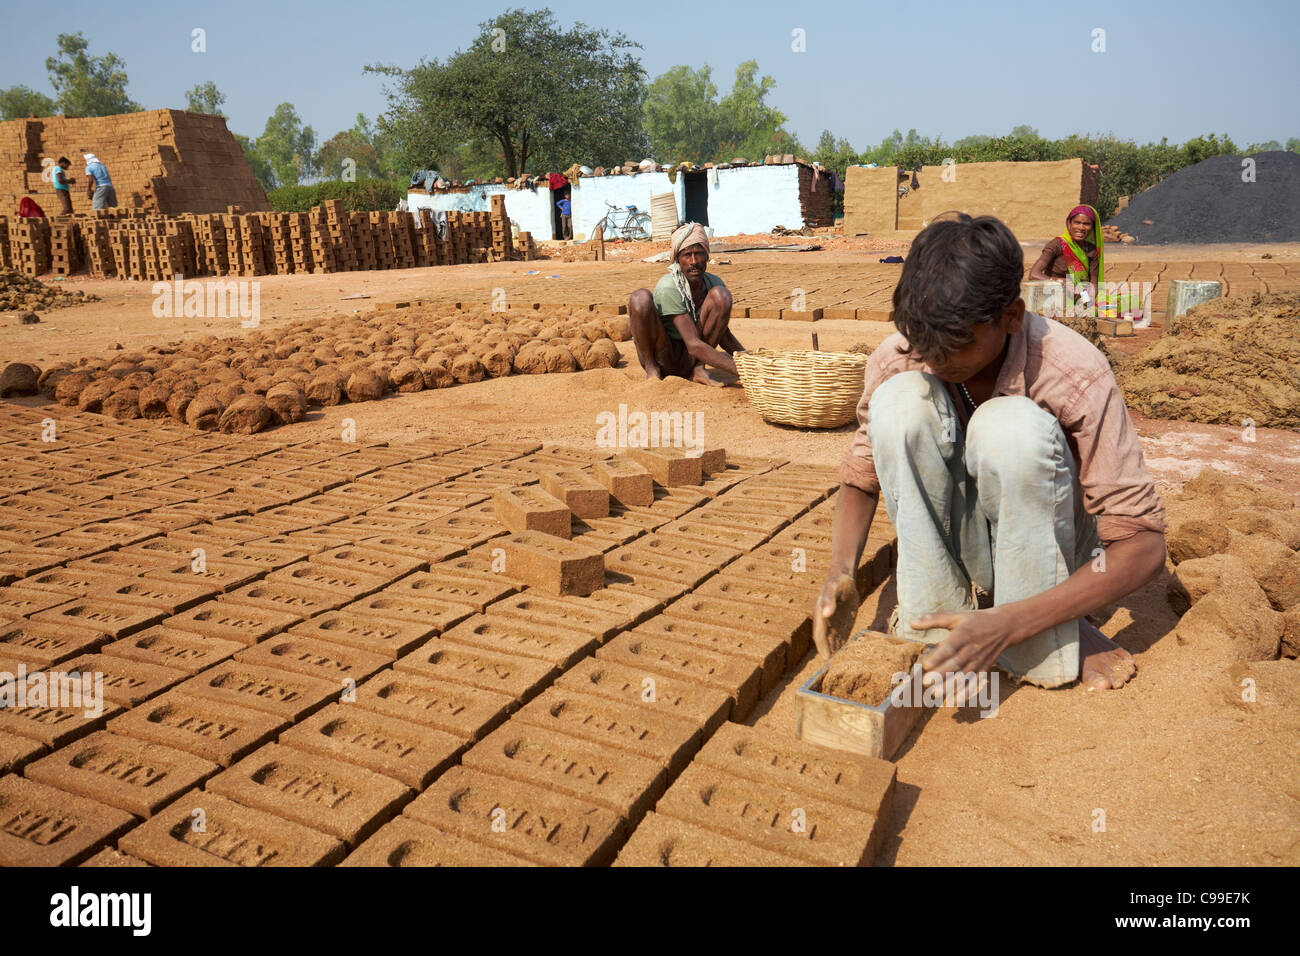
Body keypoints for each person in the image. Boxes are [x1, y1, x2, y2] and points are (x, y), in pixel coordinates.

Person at [812, 213, 1166, 692]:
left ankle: (1038, 627)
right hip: (965, 536)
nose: (934, 360)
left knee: (1009, 428)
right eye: (923, 342)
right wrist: (840, 572)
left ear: (1012, 317)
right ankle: (935, 623)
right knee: (898, 403)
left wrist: (1016, 622)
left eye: (954, 346)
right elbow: (861, 478)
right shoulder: (902, 355)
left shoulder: (1075, 371)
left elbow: (1144, 547)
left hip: (1050, 547)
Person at [627, 222, 744, 386]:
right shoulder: (669, 287)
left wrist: (750, 359)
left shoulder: (714, 283)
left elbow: (723, 334)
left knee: (721, 296)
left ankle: (698, 369)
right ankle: (652, 370)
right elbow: (693, 345)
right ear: (677, 259)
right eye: (687, 255)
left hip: (692, 359)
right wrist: (742, 371)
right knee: (640, 298)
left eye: (699, 254)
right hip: (665, 356)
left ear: (707, 256)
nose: (694, 261)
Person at [1029, 204, 1142, 319]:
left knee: (1132, 301)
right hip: (1057, 296)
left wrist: (1086, 298)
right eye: (1077, 222)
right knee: (1093, 311)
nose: (1081, 228)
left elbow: (1093, 284)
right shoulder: (1057, 245)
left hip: (1082, 297)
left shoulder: (1092, 251)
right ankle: (1087, 312)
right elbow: (1034, 274)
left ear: (1093, 227)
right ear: (1069, 224)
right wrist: (1061, 283)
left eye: (1086, 224)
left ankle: (1088, 311)